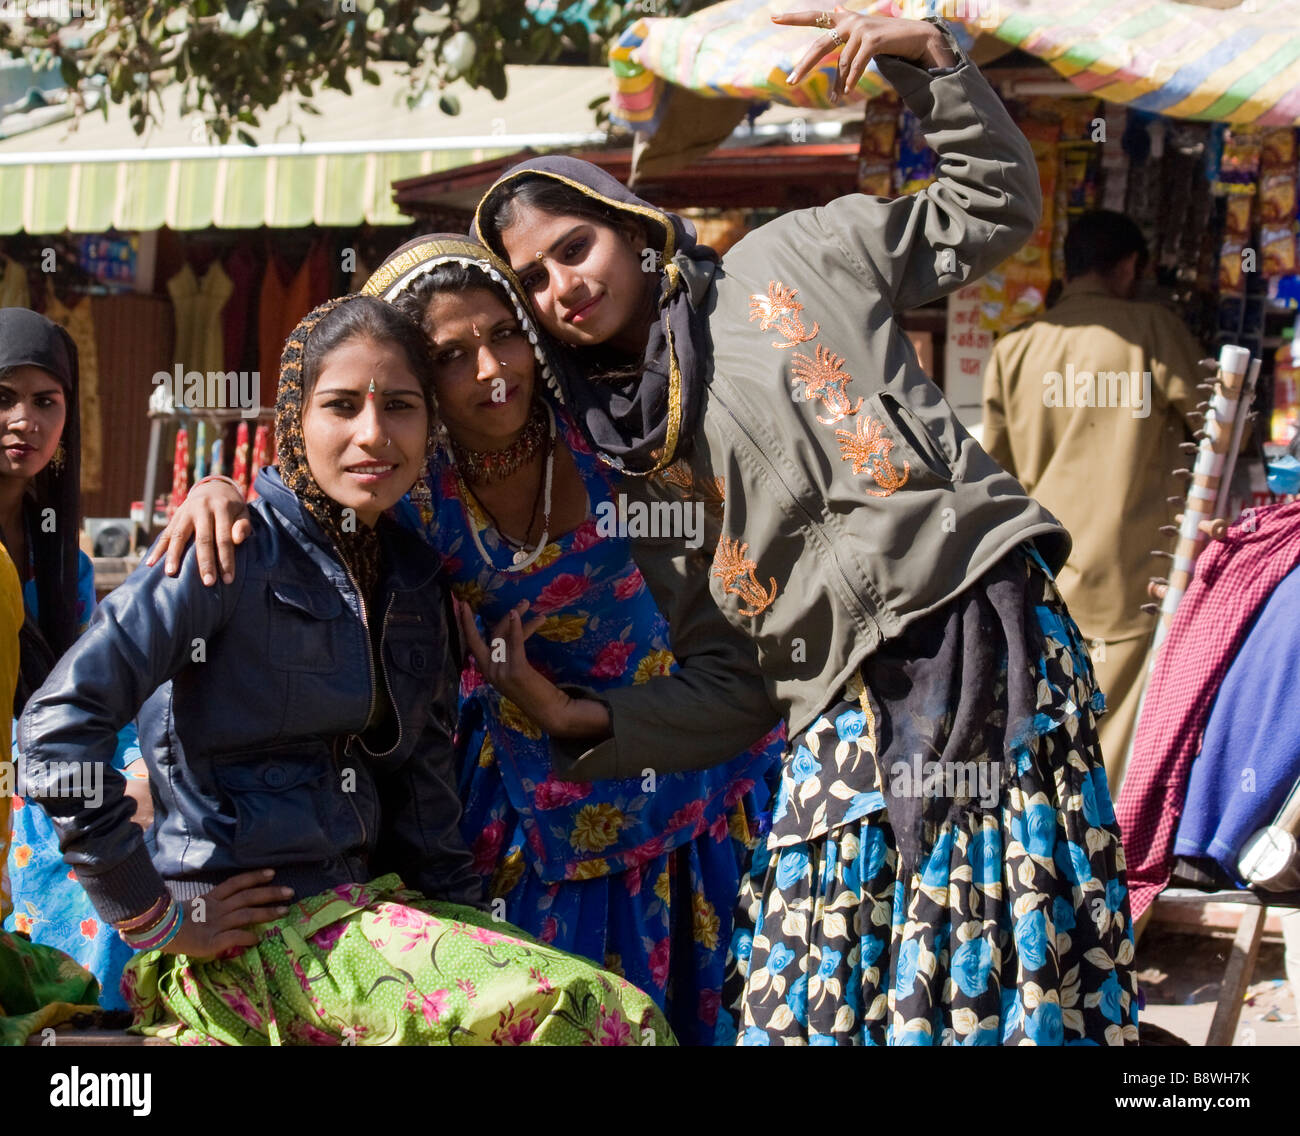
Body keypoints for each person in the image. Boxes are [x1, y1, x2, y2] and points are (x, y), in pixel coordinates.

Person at [463, 11, 1138, 1045]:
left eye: (574, 246)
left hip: (977, 629)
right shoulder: (635, 453)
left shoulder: (795, 254)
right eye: (538, 280)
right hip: (837, 709)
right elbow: (733, 673)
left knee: (996, 980)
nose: (565, 286)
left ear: (632, 225)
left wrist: (925, 58)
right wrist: (584, 718)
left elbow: (992, 203)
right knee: (799, 1005)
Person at [154, 234, 785, 1045]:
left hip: (695, 777)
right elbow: (299, 514)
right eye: (452, 355)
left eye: (505, 333)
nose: (492, 370)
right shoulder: (411, 491)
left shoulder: (615, 432)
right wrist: (217, 490)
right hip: (534, 810)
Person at [18, 294, 672, 1045]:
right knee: (602, 1016)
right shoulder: (223, 550)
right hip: (250, 945)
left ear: (430, 428)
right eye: (341, 406)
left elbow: (424, 801)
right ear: (294, 419)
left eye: (399, 406)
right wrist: (157, 915)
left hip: (361, 924)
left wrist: (465, 932)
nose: (373, 435)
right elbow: (54, 733)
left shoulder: (414, 578)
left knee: (581, 996)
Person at [982, 210, 1204, 790]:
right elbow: (1220, 427)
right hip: (1136, 578)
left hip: (1045, 576)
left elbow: (995, 472)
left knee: (1058, 735)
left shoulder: (1015, 349)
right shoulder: (1154, 331)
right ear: (1129, 267)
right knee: (1121, 747)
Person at [0, 307, 149, 1012]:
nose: (24, 419)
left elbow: (90, 689)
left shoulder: (68, 564)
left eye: (44, 401)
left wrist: (142, 766)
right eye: (3, 397)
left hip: (51, 751)